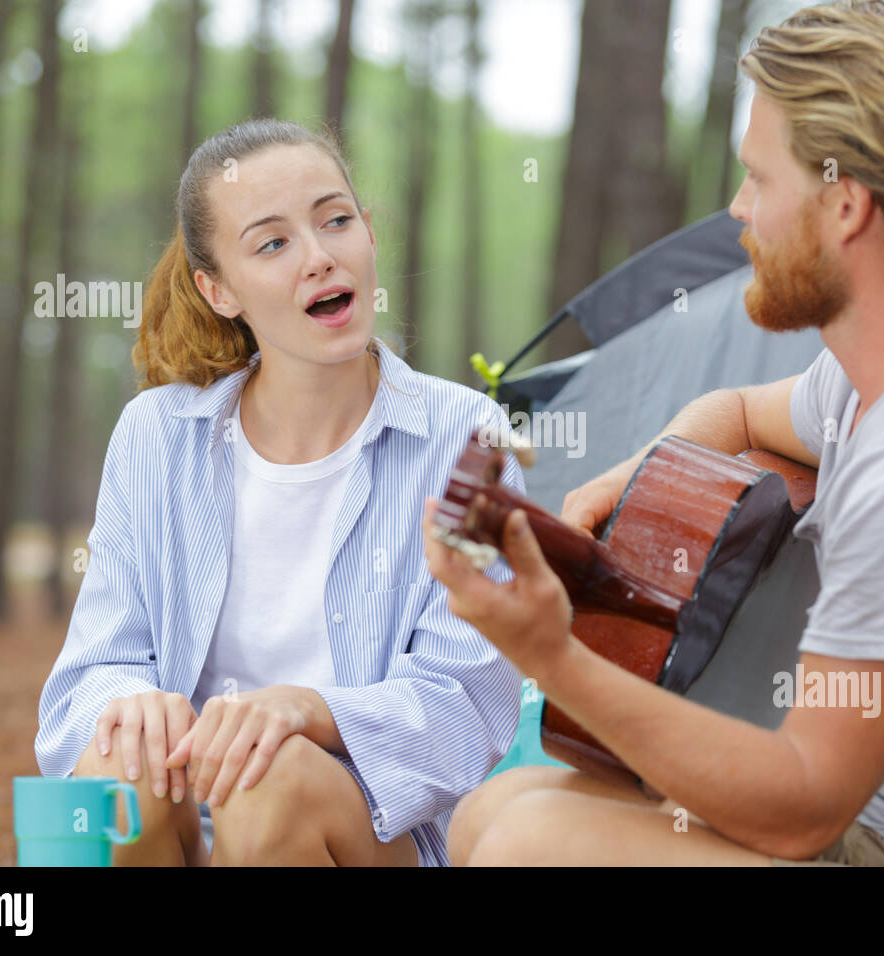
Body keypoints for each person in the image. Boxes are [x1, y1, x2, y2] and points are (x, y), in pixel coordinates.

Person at [424, 0, 884, 866]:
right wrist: (631, 490)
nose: (739, 209)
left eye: (759, 177)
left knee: (531, 842)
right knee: (495, 809)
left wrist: (550, 654)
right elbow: (741, 415)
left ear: (847, 206)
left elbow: (804, 809)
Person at [35, 117, 523, 867]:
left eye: (336, 221)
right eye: (273, 243)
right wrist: (126, 705)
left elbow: (468, 705)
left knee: (270, 781)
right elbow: (88, 676)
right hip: (185, 824)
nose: (321, 258)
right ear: (218, 289)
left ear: (368, 232)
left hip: (364, 830)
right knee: (118, 775)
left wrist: (313, 711)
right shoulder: (156, 436)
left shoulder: (468, 437)